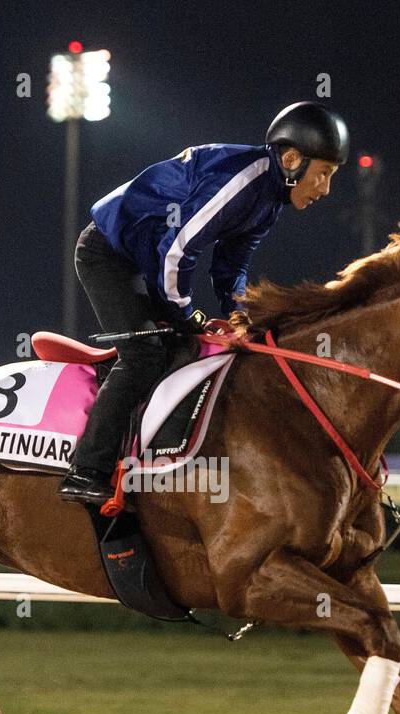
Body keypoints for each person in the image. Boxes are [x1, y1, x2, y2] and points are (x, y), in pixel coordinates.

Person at [58, 101, 350, 505]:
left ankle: (148, 460)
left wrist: (242, 316)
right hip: (108, 253)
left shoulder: (268, 201)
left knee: (187, 351)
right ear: (292, 159)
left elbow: (231, 267)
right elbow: (178, 251)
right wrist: (189, 312)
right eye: (324, 174)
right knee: (144, 355)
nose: (325, 189)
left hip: (150, 260)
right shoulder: (243, 180)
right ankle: (85, 469)